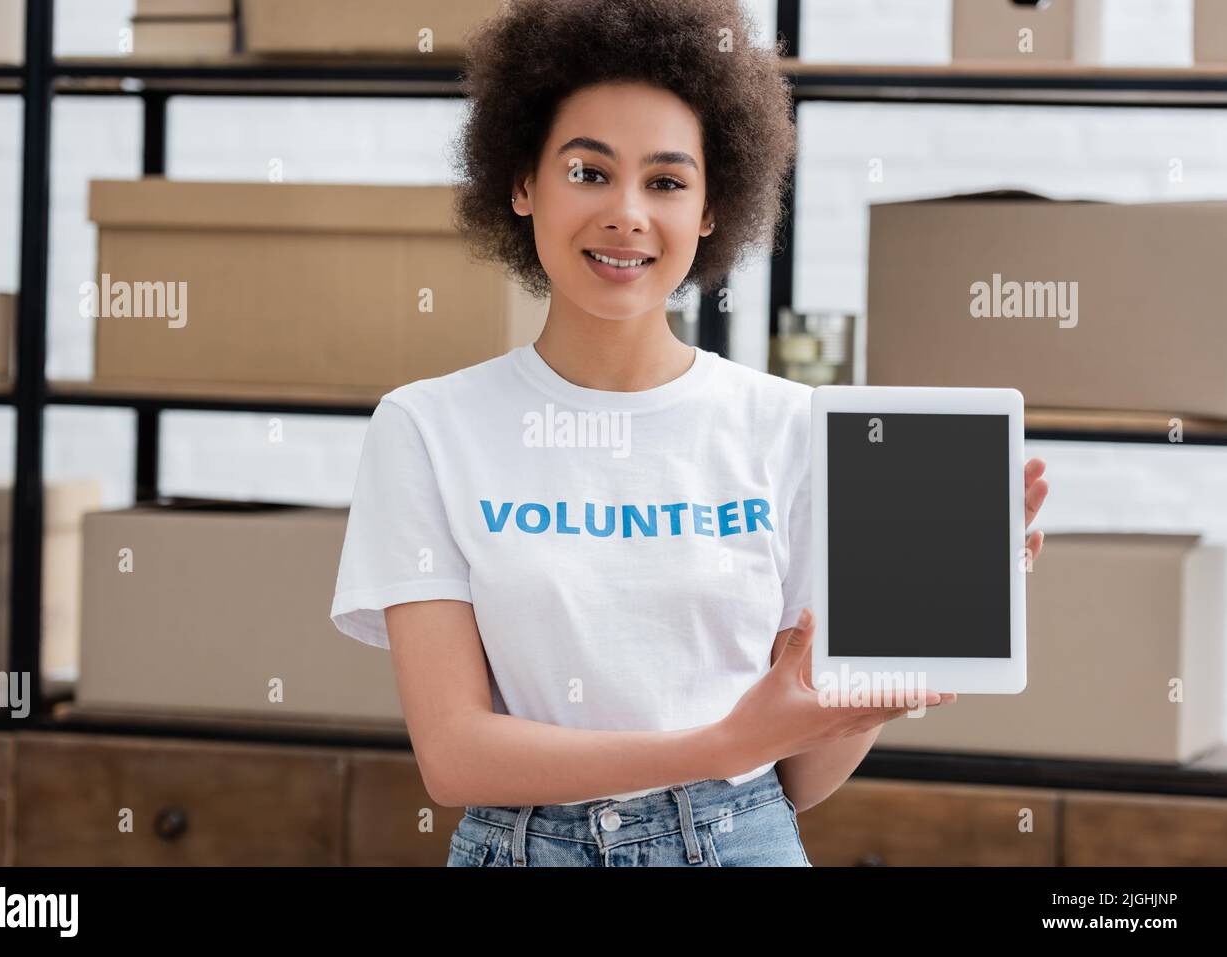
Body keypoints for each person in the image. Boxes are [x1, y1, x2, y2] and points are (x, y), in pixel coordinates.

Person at [330, 0, 1050, 867]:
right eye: (589, 172)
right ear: (522, 181)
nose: (628, 213)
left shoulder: (792, 428)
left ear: (713, 207)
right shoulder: (430, 427)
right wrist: (721, 746)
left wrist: (915, 630)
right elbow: (453, 756)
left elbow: (799, 776)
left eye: (667, 182)